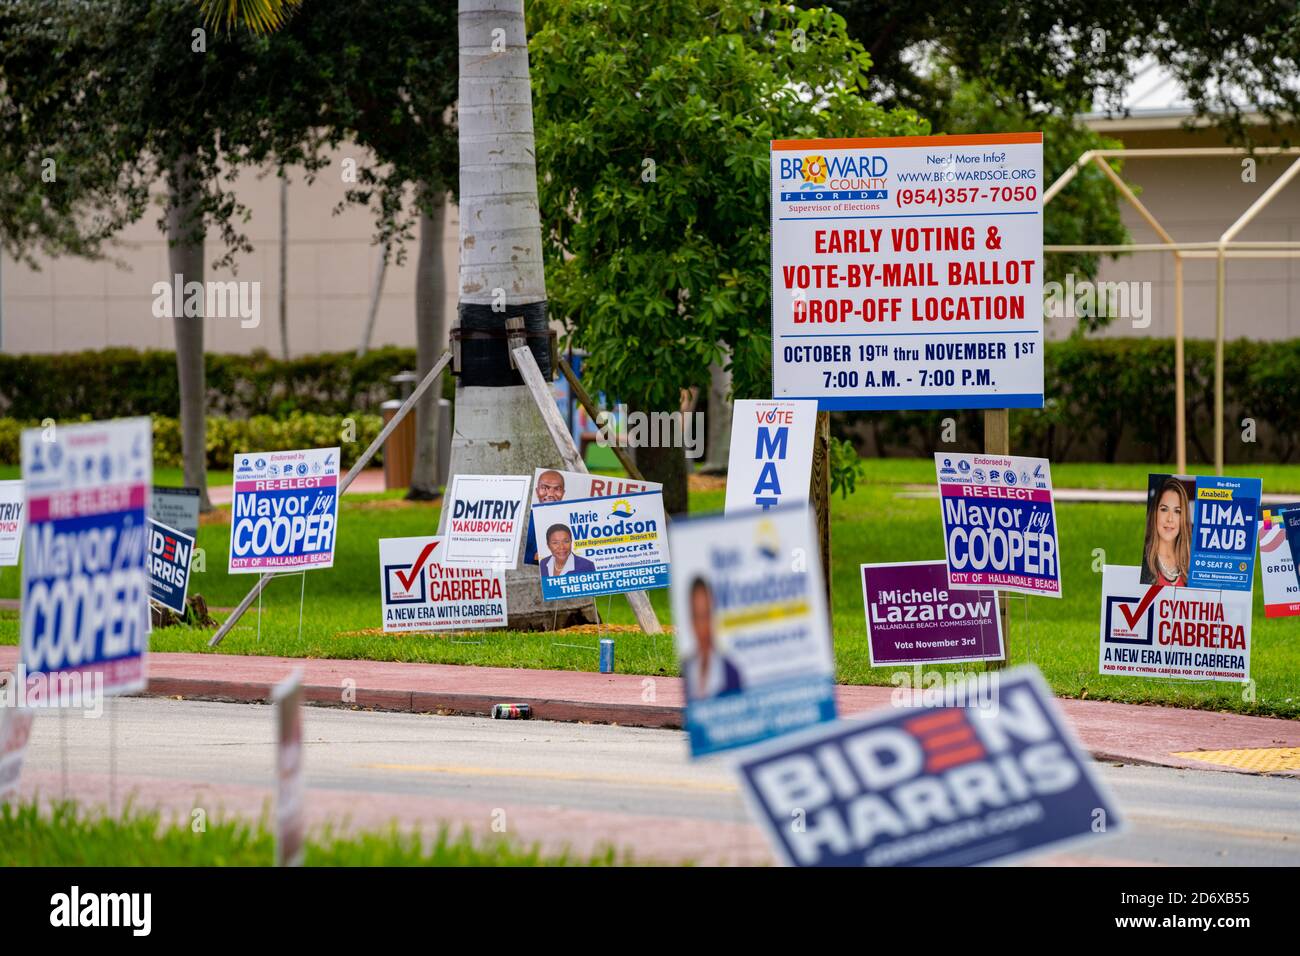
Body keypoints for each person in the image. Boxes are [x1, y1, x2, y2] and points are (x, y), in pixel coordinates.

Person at [682, 577, 743, 698]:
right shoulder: (682, 674)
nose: (703, 626)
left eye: (706, 615)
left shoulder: (731, 673)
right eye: (697, 617)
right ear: (691, 621)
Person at [1142, 477, 1192, 586]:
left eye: (1177, 511)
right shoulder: (1142, 561)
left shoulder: (1191, 564)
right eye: (1164, 509)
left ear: (1183, 518)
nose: (1170, 519)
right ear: (1155, 512)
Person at [525, 471, 568, 565]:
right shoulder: (526, 519)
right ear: (537, 491)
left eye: (557, 489)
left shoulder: (571, 520)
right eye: (544, 488)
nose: (550, 494)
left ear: (563, 493)